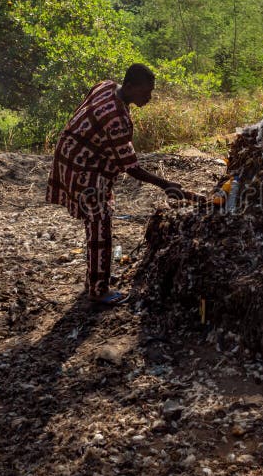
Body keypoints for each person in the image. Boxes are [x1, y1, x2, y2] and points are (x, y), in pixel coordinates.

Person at [46, 63, 202, 305]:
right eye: (144, 93)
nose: (148, 98)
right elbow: (132, 168)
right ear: (129, 86)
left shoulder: (106, 86)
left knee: (96, 221)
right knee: (100, 225)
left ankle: (94, 277)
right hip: (83, 168)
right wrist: (167, 185)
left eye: (150, 92)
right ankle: (98, 290)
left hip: (70, 154)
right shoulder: (116, 118)